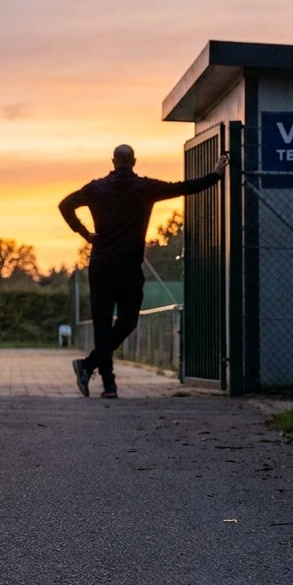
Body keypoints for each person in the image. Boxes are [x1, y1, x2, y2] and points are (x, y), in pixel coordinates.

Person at [59, 145, 228, 399]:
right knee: (127, 322)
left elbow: (65, 205)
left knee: (103, 325)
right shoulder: (145, 188)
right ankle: (100, 377)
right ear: (134, 161)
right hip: (128, 265)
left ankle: (102, 379)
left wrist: (85, 234)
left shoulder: (96, 188)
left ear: (113, 161)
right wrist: (215, 175)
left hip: (102, 264)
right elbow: (183, 187)